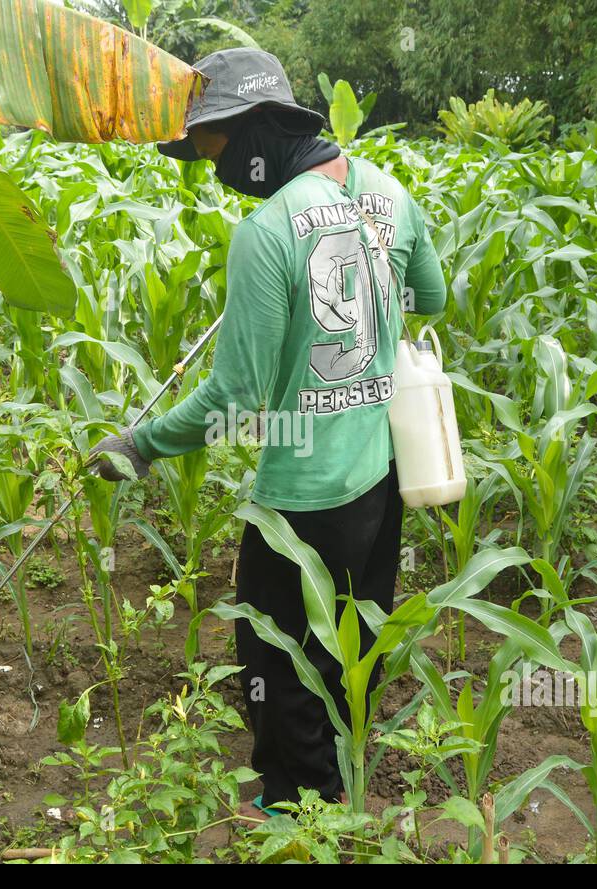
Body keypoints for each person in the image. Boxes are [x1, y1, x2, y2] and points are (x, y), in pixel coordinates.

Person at [92, 48, 447, 819]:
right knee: (352, 644)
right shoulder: (389, 192)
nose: (214, 171)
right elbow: (433, 295)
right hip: (382, 478)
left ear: (256, 134)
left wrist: (140, 445)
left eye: (215, 152)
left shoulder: (266, 228)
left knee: (274, 661)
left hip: (303, 496)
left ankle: (302, 812)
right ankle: (340, 788)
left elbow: (236, 396)